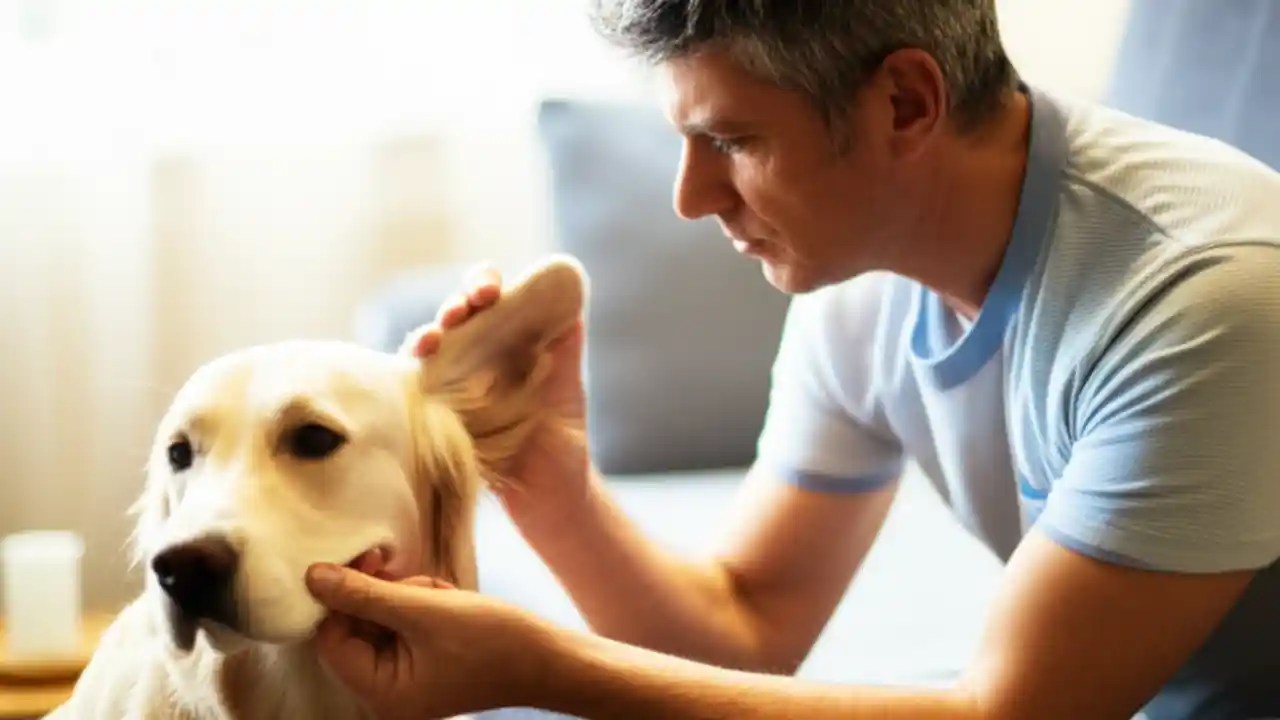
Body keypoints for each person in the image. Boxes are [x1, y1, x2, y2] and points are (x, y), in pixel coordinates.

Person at [304, 2, 1280, 718]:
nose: (690, 197)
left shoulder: (1205, 296)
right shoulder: (863, 277)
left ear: (905, 101)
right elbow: (746, 629)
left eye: (730, 140)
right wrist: (551, 485)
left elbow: (1012, 715)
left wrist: (538, 668)